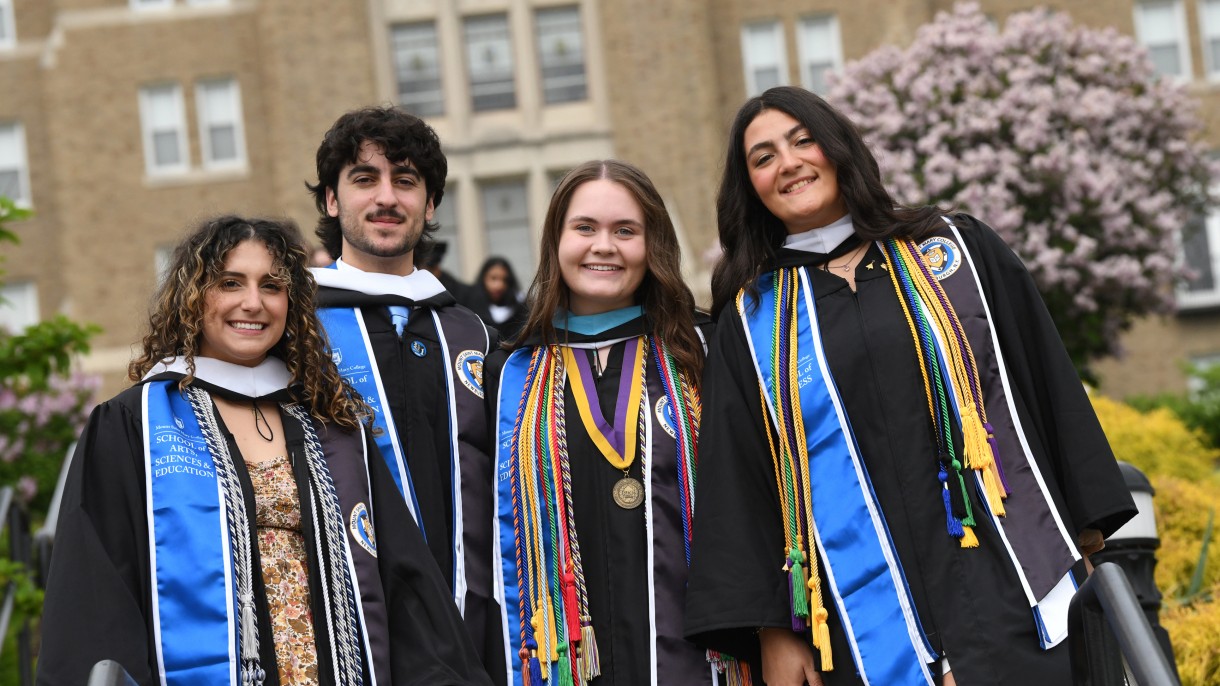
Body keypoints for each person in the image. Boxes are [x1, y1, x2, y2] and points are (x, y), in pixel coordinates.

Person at [683, 86, 1138, 686]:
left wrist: (1085, 526)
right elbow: (739, 478)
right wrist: (773, 629)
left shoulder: (953, 251)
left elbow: (1044, 377)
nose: (788, 163)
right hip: (856, 620)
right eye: (763, 157)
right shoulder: (754, 319)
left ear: (839, 148)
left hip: (1015, 581)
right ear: (751, 188)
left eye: (802, 140)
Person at [37, 215, 492, 685]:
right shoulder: (136, 424)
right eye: (230, 283)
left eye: (272, 286)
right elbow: (96, 594)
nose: (252, 303)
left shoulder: (331, 422)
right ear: (194, 297)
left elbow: (404, 587)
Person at [487, 160, 743, 686]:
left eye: (625, 231)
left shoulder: (704, 350)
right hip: (568, 659)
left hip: (697, 654)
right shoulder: (510, 370)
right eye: (585, 227)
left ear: (653, 245)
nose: (604, 246)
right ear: (555, 240)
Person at [306, 105, 504, 683]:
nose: (387, 197)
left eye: (407, 181)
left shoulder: (473, 334)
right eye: (365, 179)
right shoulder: (295, 333)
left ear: (431, 203)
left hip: (476, 631)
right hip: (350, 630)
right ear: (331, 200)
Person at [466, 256, 527, 341]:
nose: (499, 286)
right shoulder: (470, 306)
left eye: (504, 280)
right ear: (483, 279)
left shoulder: (520, 308)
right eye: (493, 278)